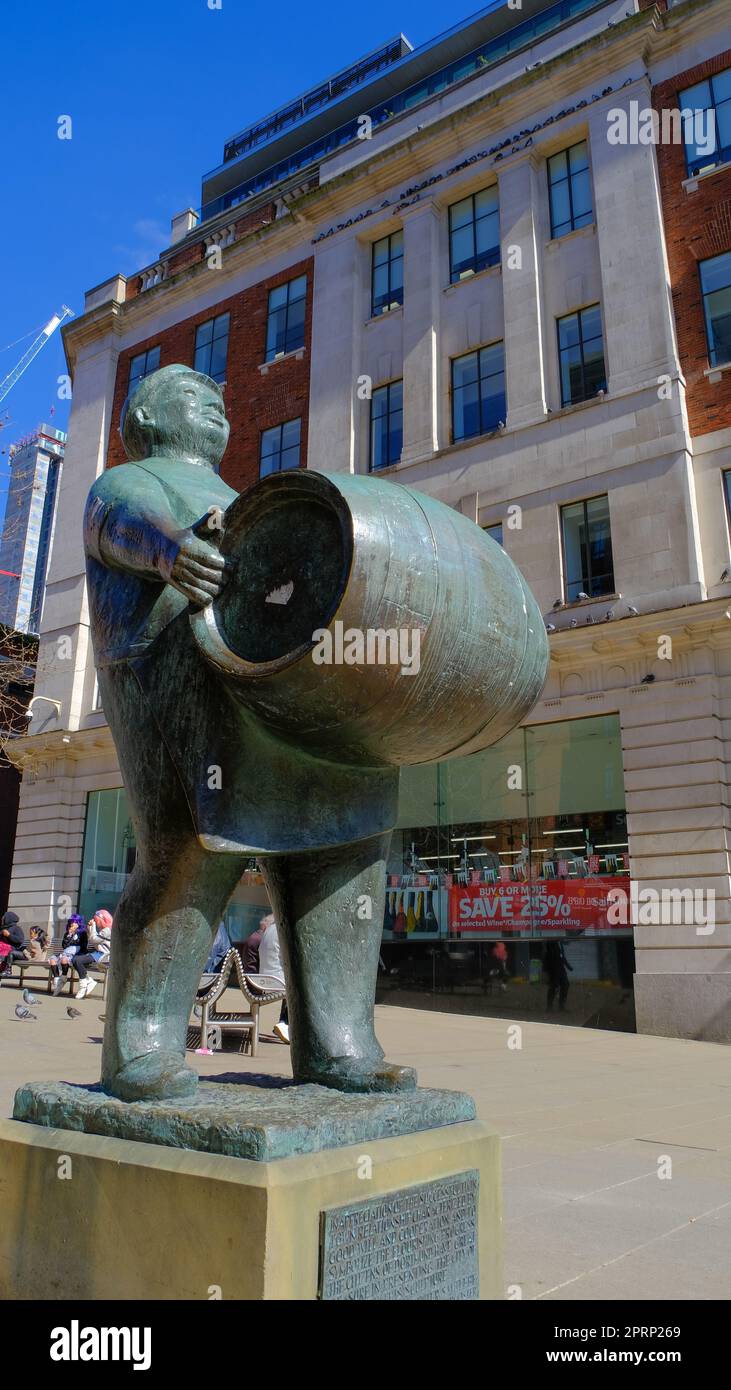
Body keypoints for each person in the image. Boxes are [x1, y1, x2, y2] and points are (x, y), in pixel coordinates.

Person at [256, 913, 289, 1045]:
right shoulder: (283, 930)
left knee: (291, 986)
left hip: (263, 979)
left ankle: (284, 1023)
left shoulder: (270, 929)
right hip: (277, 981)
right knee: (300, 989)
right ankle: (285, 1023)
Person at [71, 909, 113, 999]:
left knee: (77, 960)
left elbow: (94, 939)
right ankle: (88, 981)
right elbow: (92, 939)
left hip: (104, 956)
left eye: (96, 920)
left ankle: (83, 987)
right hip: (97, 954)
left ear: (101, 919)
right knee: (74, 960)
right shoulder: (104, 930)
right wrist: (90, 928)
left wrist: (93, 926)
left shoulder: (107, 930)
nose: (96, 922)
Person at [49, 915, 88, 996]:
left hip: (75, 955)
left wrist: (75, 938)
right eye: (71, 922)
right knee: (52, 960)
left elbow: (84, 946)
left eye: (75, 922)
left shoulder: (82, 933)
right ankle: (56, 979)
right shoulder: (67, 933)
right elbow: (64, 946)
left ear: (79, 924)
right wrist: (69, 936)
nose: (72, 924)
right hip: (65, 953)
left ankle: (63, 977)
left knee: (64, 960)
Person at [545, 940, 573, 1012]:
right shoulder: (550, 942)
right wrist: (547, 971)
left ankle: (561, 1006)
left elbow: (562, 955)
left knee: (565, 984)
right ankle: (549, 1007)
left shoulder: (560, 942)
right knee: (553, 987)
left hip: (561, 969)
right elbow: (547, 956)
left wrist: (568, 965)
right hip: (553, 969)